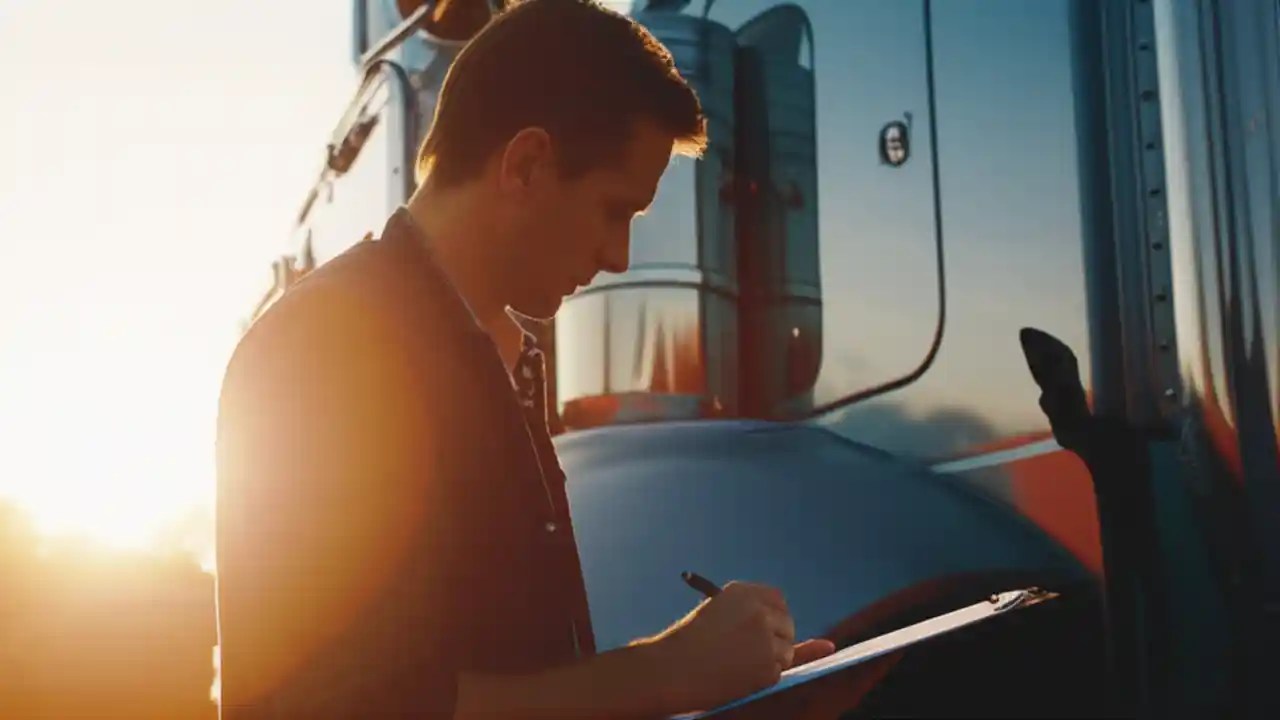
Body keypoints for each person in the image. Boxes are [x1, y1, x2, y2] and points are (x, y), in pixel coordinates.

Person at [215, 1, 872, 717]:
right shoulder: (323, 346)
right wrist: (668, 671)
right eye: (614, 210)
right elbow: (342, 706)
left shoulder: (500, 356)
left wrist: (727, 695)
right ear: (527, 164)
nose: (619, 258)